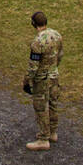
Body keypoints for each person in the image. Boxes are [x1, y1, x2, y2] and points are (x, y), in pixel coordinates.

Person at [24, 11, 63, 151]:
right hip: (54, 76)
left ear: (34, 24)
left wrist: (27, 81)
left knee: (41, 107)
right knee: (53, 104)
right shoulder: (57, 35)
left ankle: (43, 139)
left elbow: (33, 66)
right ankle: (53, 133)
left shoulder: (37, 42)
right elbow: (60, 55)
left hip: (42, 79)